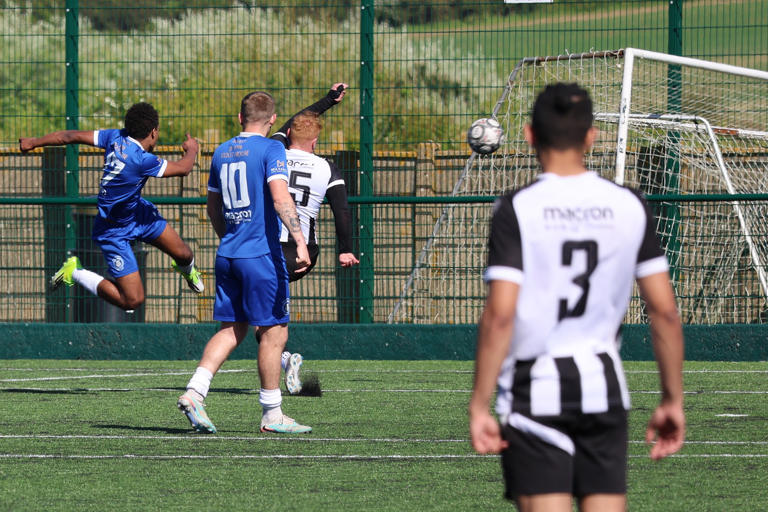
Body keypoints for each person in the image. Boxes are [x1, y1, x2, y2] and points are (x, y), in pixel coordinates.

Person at [468, 83, 685, 512]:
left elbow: (500, 316)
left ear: (529, 135)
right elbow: (664, 312)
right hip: (604, 390)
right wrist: (672, 399)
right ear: (591, 137)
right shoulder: (630, 204)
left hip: (535, 391)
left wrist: (479, 404)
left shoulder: (517, 208)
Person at [177, 91, 312, 435]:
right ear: (272, 120)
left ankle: (195, 392)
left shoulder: (221, 151)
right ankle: (272, 414)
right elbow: (280, 197)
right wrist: (299, 240)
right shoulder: (271, 149)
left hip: (228, 254)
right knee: (274, 332)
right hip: (261, 256)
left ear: (239, 118)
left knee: (231, 328)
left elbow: (213, 208)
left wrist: (230, 237)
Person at [19, 103, 204, 312]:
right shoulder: (141, 160)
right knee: (132, 301)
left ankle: (187, 271)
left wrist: (33, 142)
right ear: (153, 132)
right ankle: (75, 271)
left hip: (138, 214)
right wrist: (192, 149)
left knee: (184, 254)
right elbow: (184, 168)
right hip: (113, 231)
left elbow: (69, 136)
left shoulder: (114, 137)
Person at [273, 83, 359, 394]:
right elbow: (342, 211)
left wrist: (327, 101)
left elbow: (293, 122)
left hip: (272, 248)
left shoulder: (274, 153)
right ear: (315, 141)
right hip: (305, 251)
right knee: (262, 308)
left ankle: (285, 359)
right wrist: (345, 249)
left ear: (288, 133)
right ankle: (284, 358)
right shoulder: (327, 167)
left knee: (255, 310)